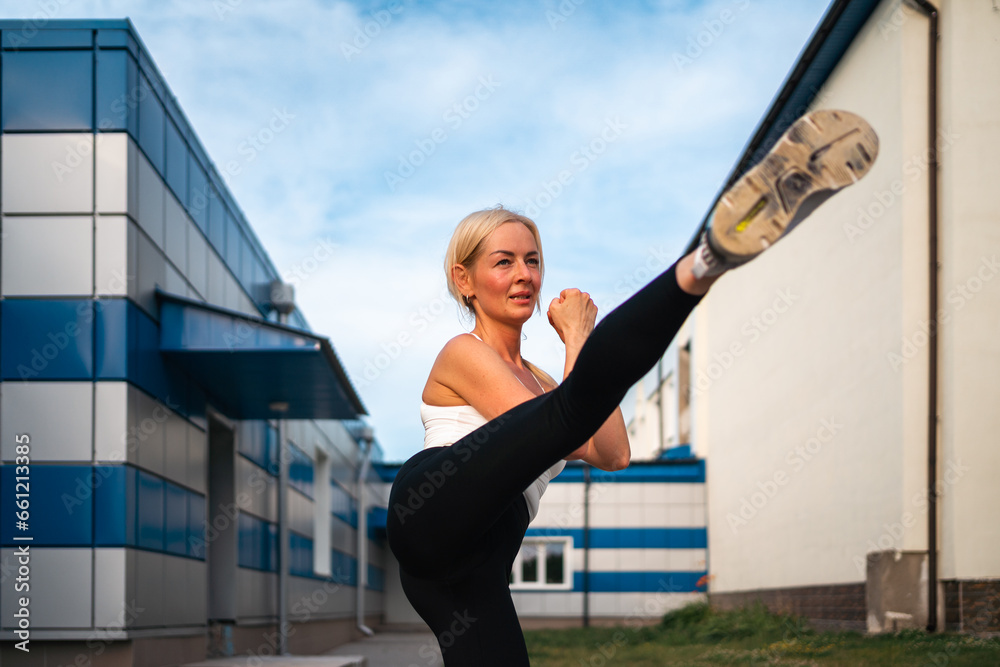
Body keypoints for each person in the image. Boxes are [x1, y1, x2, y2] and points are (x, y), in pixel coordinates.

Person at [386, 109, 878, 665]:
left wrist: (580, 344)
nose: (525, 274)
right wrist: (579, 340)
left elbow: (615, 453)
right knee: (565, 413)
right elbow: (567, 429)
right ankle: (704, 264)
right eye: (504, 262)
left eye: (533, 260)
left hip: (482, 563)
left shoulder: (550, 383)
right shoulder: (463, 354)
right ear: (464, 280)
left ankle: (704, 264)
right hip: (432, 509)